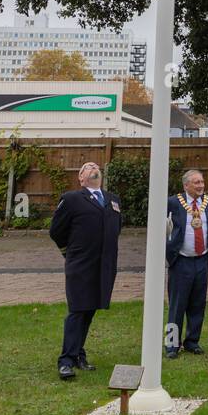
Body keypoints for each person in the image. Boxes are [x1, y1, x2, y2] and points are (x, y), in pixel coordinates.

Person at [49, 161, 122, 381]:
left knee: (89, 309)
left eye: (95, 165)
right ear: (80, 178)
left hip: (104, 266)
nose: (92, 167)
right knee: (78, 310)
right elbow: (56, 231)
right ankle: (66, 361)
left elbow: (116, 228)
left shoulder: (113, 200)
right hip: (81, 264)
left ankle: (79, 354)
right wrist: (71, 252)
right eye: (86, 167)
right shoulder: (71, 199)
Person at [165, 168, 208, 356]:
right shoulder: (173, 202)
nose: (201, 186)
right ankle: (172, 345)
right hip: (181, 261)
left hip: (202, 259)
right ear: (186, 185)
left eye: (202, 182)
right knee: (177, 305)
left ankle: (192, 341)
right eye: (196, 183)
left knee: (197, 303)